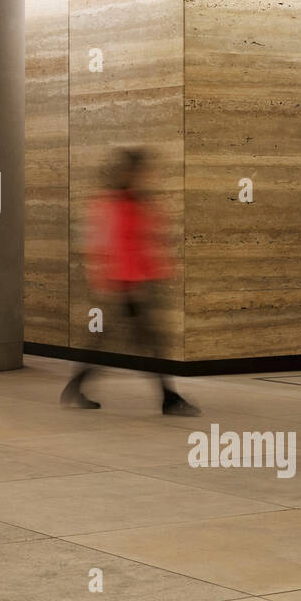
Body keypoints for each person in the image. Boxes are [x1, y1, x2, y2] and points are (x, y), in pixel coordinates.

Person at [61, 148, 200, 416]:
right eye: (141, 171)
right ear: (130, 173)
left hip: (131, 283)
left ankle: (75, 387)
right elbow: (112, 244)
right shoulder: (117, 204)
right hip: (125, 285)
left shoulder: (133, 202)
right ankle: (169, 399)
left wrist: (159, 270)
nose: (147, 177)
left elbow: (146, 241)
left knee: (110, 342)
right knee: (148, 344)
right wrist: (125, 284)